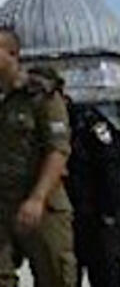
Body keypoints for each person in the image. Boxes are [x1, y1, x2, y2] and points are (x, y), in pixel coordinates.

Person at [0, 27, 76, 286]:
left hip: (42, 197)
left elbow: (58, 149)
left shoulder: (41, 95)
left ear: (13, 54)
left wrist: (38, 199)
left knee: (55, 273)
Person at [66, 99, 120, 286]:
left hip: (98, 214)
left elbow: (110, 166)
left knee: (106, 274)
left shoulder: (87, 122)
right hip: (68, 215)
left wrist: (109, 211)